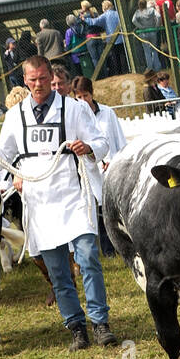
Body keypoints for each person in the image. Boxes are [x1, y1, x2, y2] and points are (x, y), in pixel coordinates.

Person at [0, 56, 118, 350]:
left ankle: (100, 322)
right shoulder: (15, 116)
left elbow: (101, 142)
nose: (38, 85)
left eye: (42, 78)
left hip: (73, 194)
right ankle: (76, 325)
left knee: (88, 257)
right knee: (58, 270)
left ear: (51, 77)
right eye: (32, 79)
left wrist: (88, 148)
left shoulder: (74, 109)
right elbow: (3, 154)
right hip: (39, 200)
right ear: (24, 80)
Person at [71, 76, 128, 257]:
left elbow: (117, 139)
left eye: (85, 95)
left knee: (116, 209)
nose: (83, 100)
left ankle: (123, 245)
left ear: (92, 94)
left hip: (111, 167)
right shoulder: (74, 116)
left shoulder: (107, 113)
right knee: (99, 211)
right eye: (78, 97)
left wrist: (115, 160)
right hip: (90, 170)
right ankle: (108, 250)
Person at [131, 0, 161, 73]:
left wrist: (141, 26)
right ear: (145, 4)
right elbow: (159, 16)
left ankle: (150, 67)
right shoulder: (151, 10)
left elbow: (133, 20)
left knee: (147, 51)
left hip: (143, 33)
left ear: (139, 5)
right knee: (154, 50)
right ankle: (157, 67)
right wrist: (157, 26)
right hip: (152, 31)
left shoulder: (137, 12)